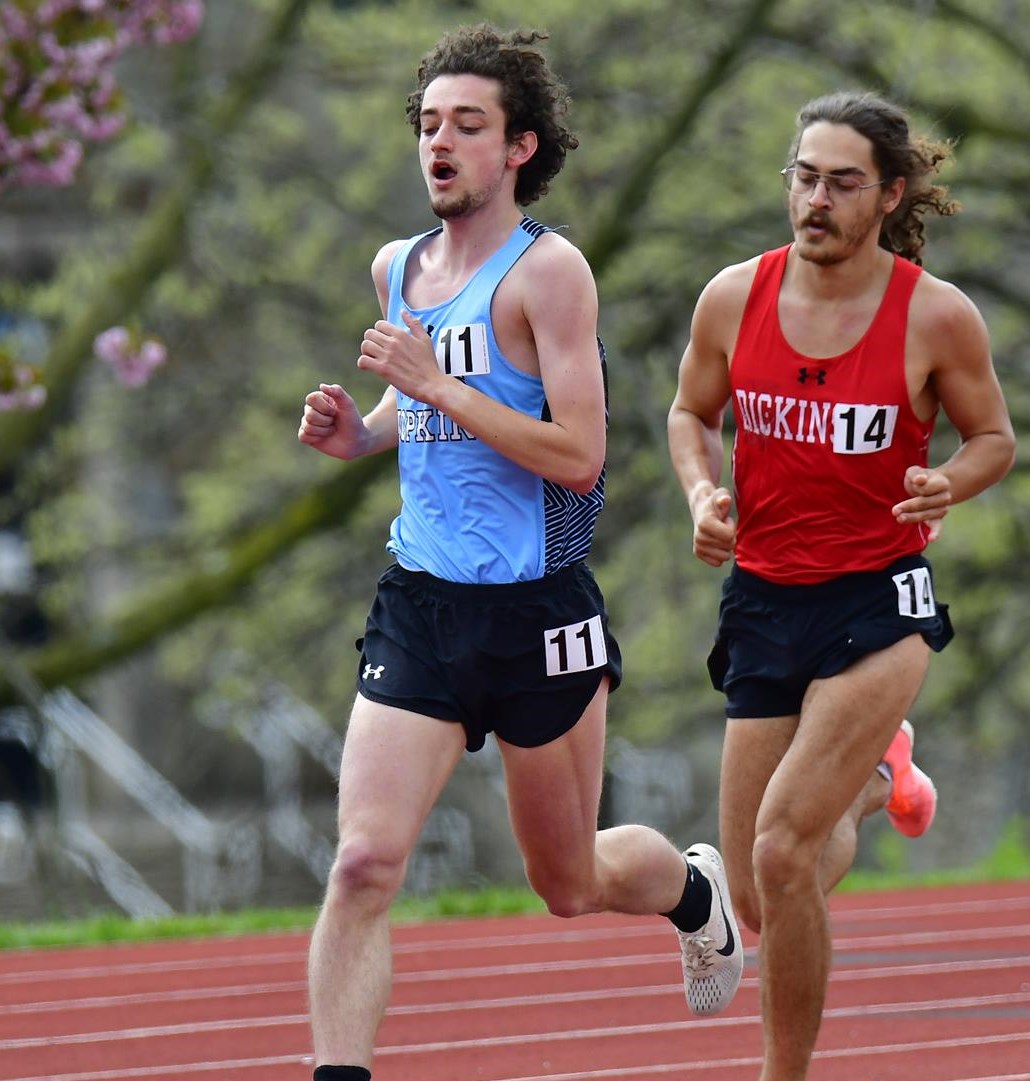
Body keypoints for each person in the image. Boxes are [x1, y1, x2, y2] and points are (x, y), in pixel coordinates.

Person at [296, 24, 744, 1081]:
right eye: (427, 124)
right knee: (361, 863)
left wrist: (435, 384)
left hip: (537, 611)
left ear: (518, 148)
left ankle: (692, 891)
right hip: (419, 605)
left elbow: (579, 457)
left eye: (467, 125)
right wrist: (358, 433)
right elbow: (420, 412)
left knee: (566, 883)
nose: (438, 143)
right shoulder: (396, 267)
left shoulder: (549, 274)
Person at [666, 91, 1016, 1080]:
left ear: (888, 194)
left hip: (876, 602)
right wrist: (701, 495)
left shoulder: (933, 316)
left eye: (841, 183)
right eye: (803, 177)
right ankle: (870, 784)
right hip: (763, 597)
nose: (814, 200)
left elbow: (993, 437)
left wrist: (948, 480)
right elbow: (689, 412)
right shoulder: (731, 297)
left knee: (782, 849)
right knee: (755, 892)